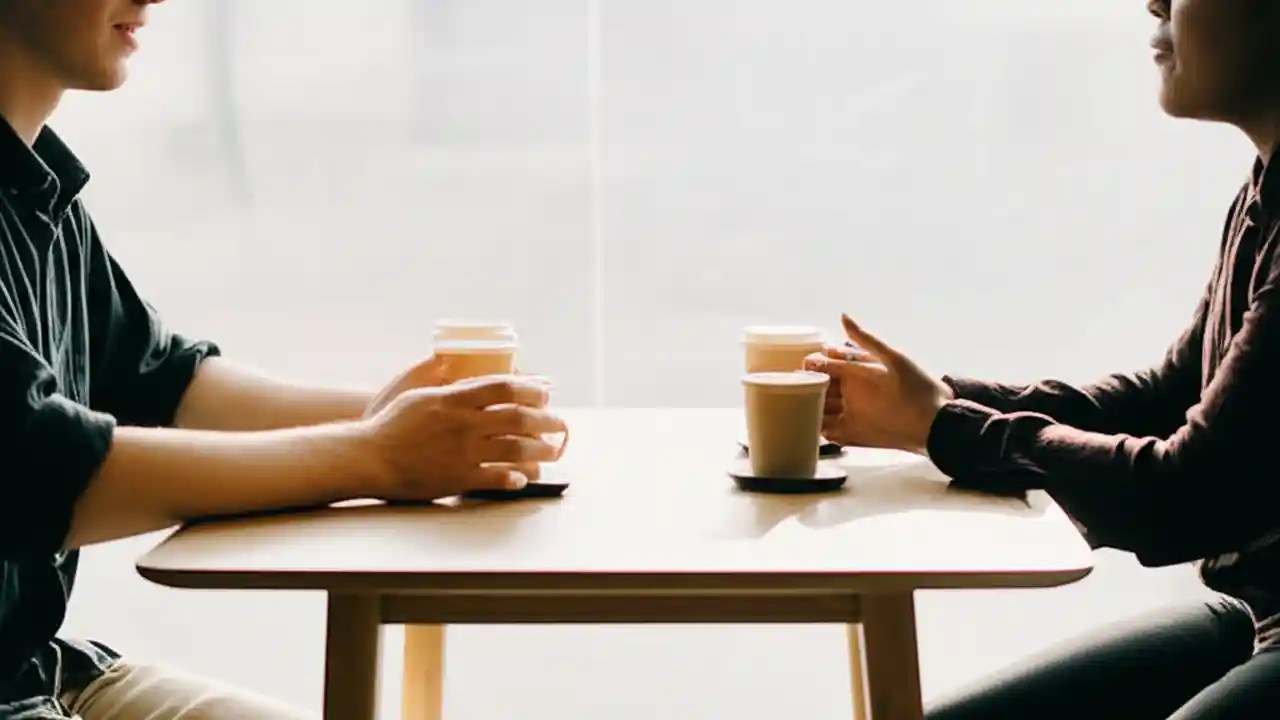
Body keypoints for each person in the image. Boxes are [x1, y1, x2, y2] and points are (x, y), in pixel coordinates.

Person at [0, 1, 568, 718]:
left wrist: (399, 420)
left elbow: (167, 384)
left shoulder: (37, 191)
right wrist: (376, 456)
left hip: (43, 674)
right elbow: (39, 473)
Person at [806, 1, 1280, 717]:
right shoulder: (1263, 195)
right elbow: (1169, 398)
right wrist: (934, 399)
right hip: (1255, 618)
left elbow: (1188, 492)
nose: (1153, 2)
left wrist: (943, 427)